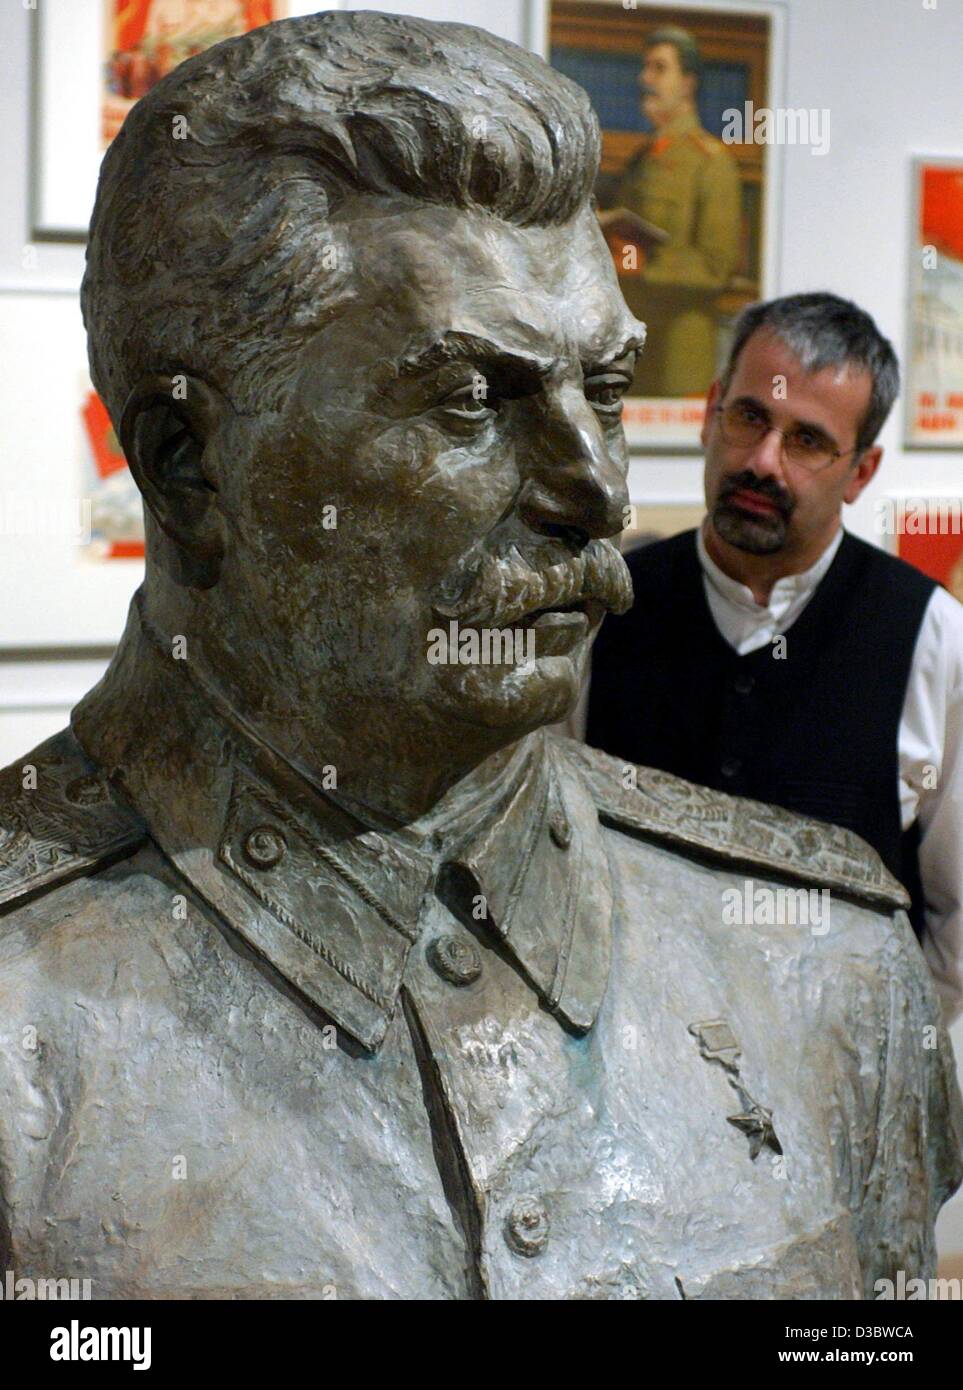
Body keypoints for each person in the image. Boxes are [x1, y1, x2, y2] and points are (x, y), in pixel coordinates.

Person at [0, 15, 958, 1301]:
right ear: (188, 467)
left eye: (605, 394)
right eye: (469, 401)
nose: (597, 489)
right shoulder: (29, 1029)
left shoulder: (831, 976)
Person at [587, 291, 963, 1025]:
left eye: (807, 441)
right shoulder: (605, 611)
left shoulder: (931, 639)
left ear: (859, 472)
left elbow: (956, 920)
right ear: (708, 412)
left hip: (841, 1083)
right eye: (750, 418)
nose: (762, 462)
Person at [597, 25, 741, 397]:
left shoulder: (711, 163)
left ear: (688, 82)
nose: (645, 79)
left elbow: (717, 266)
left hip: (682, 349)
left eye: (659, 68)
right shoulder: (642, 161)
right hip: (636, 342)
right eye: (645, 68)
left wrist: (642, 265)